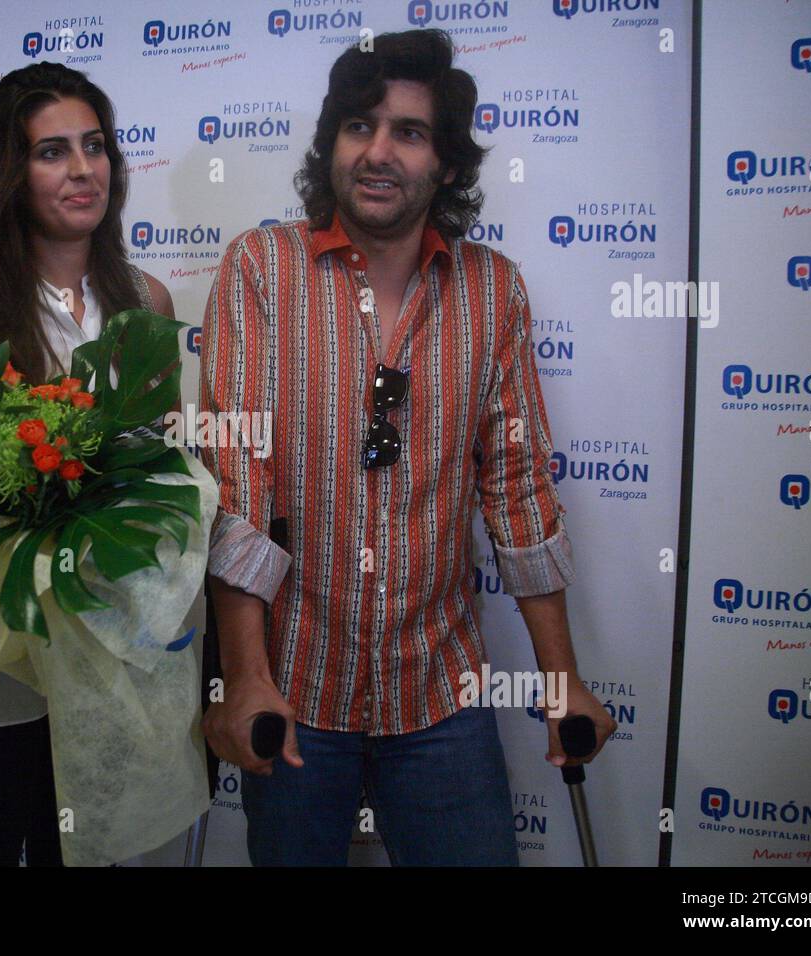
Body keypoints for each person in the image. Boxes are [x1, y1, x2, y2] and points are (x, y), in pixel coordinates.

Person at [198, 29, 616, 866]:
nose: (377, 151)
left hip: (442, 690)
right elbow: (238, 487)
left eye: (408, 132)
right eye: (358, 128)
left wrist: (560, 675)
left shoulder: (492, 288)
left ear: (448, 165)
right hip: (294, 685)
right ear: (332, 147)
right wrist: (245, 675)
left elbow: (519, 487)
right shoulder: (261, 268)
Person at [0, 61, 175, 867]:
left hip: (98, 664)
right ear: (8, 171)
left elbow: (156, 473)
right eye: (52, 151)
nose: (83, 169)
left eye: (95, 147)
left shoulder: (147, 303)